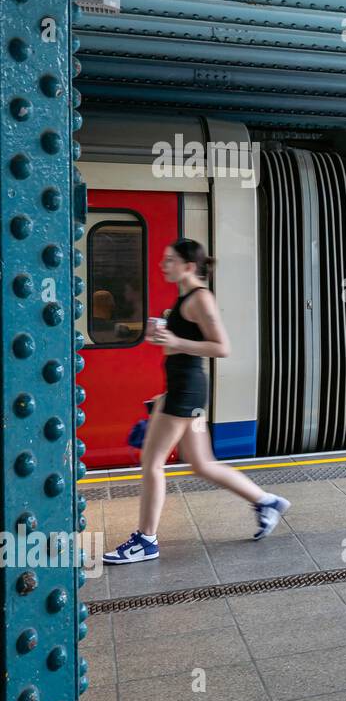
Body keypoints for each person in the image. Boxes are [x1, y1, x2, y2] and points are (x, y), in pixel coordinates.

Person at [103, 239, 291, 564]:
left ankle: (146, 539)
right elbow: (184, 347)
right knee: (202, 464)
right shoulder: (187, 299)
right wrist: (167, 346)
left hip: (186, 392)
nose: (163, 265)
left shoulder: (200, 298)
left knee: (152, 463)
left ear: (189, 266)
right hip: (182, 391)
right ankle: (266, 502)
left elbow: (222, 347)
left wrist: (175, 340)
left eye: (169, 260)